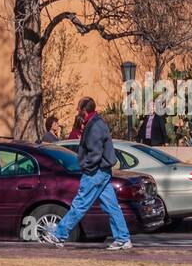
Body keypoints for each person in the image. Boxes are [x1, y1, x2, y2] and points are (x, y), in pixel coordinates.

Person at [46, 97, 133, 251]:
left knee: (80, 204)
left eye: (78, 109)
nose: (77, 111)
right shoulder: (97, 122)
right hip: (102, 171)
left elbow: (95, 153)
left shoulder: (94, 127)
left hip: (95, 172)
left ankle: (59, 235)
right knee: (111, 206)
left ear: (84, 110)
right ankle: (123, 238)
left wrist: (85, 166)